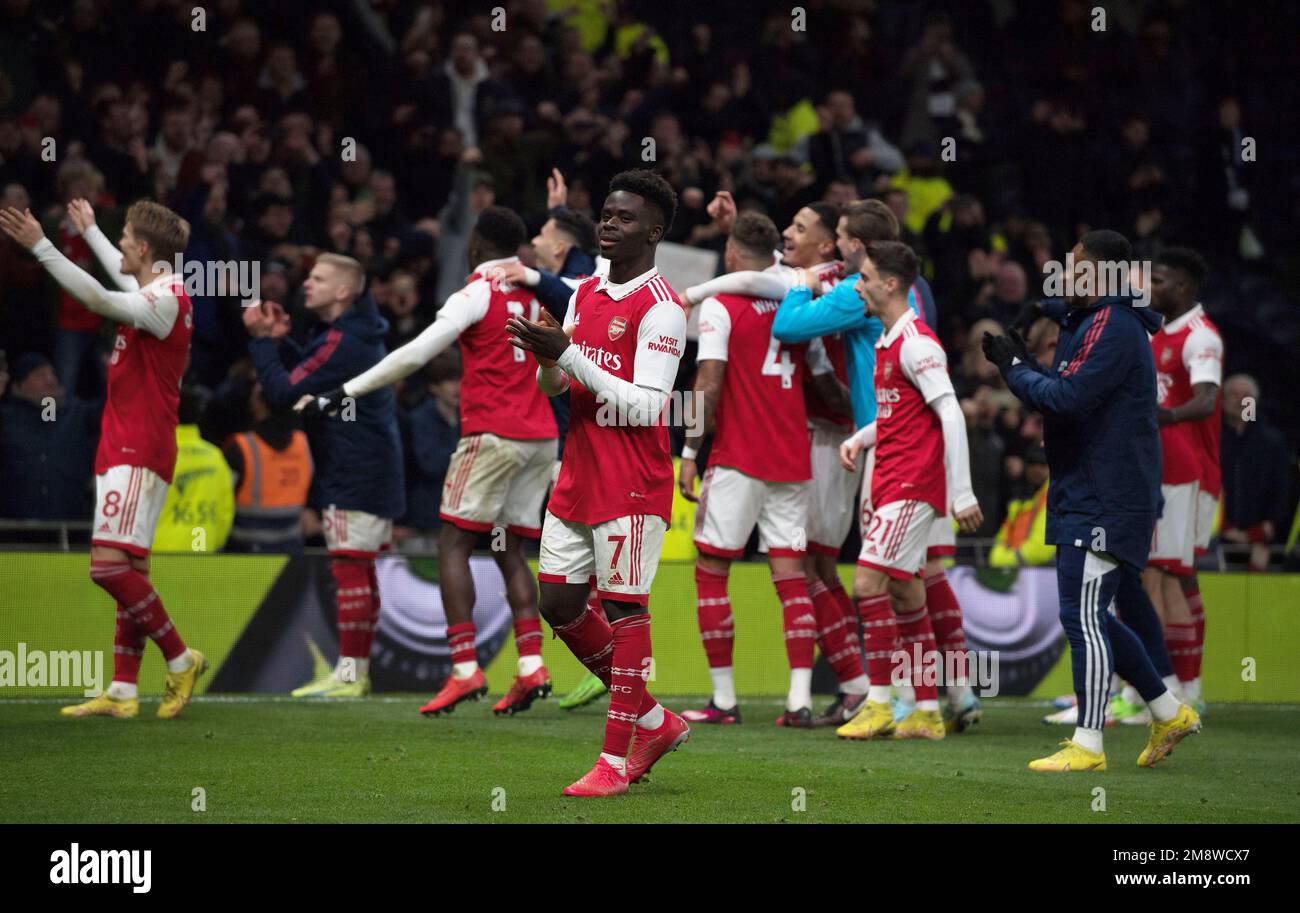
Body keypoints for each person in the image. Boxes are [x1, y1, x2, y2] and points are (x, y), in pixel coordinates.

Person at [300, 206, 560, 717]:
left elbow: (417, 353)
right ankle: (531, 664)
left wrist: (345, 389)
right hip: (541, 439)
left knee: (453, 544)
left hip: (492, 436)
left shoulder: (476, 293)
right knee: (510, 550)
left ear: (476, 246)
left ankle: (464, 668)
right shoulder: (540, 292)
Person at [981, 229, 1201, 771]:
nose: (1065, 275)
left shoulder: (1116, 327)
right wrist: (1039, 311)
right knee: (1093, 614)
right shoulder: (1099, 318)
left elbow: (1068, 399)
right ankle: (1169, 708)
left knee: (1082, 618)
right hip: (1088, 486)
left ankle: (1089, 744)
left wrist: (1015, 368)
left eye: (1077, 269)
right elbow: (1068, 317)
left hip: (1105, 493)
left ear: (1105, 276)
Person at [506, 169, 689, 797]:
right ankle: (653, 720)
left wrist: (570, 354)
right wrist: (547, 364)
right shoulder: (583, 292)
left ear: (654, 231)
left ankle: (614, 761)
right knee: (556, 603)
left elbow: (644, 405)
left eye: (624, 218)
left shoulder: (663, 306)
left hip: (633, 480)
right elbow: (561, 385)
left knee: (624, 609)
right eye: (607, 215)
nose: (609, 225)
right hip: (579, 469)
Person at [0, 198, 205, 719]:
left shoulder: (165, 299)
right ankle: (123, 689)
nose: (118, 246)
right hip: (128, 441)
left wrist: (41, 246)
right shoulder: (159, 287)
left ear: (142, 248)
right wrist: (90, 232)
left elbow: (97, 297)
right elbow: (118, 272)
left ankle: (180, 657)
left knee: (107, 567)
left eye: (124, 237)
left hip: (139, 444)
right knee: (130, 566)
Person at [677, 211, 848, 728]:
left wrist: (688, 452)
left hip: (737, 460)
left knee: (711, 573)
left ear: (730, 256)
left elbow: (706, 385)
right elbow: (823, 382)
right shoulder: (801, 303)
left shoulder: (720, 307)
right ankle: (798, 702)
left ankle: (725, 701)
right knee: (791, 579)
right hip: (792, 461)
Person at [834, 241, 982, 742]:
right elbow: (901, 415)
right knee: (905, 591)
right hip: (893, 480)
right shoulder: (888, 341)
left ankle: (878, 701)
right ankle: (925, 709)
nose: (858, 285)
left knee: (867, 587)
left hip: (912, 486)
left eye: (866, 277)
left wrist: (962, 493)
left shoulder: (919, 344)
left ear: (891, 284)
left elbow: (951, 412)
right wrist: (861, 436)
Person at [244, 253, 405, 699]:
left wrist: (260, 341)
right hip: (373, 468)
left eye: (317, 279)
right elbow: (312, 372)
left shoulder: (345, 341)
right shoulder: (350, 336)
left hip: (353, 471)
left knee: (351, 569)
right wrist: (282, 342)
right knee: (360, 570)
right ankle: (357, 673)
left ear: (343, 292)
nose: (306, 284)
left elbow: (284, 393)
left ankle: (351, 675)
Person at [1127, 247, 1221, 720]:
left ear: (1182, 287)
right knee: (1174, 577)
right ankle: (1183, 690)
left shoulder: (1200, 337)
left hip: (1186, 470)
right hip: (1166, 467)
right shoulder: (1159, 331)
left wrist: (1159, 416)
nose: (1150, 287)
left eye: (1159, 280)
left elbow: (1205, 401)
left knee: (1159, 577)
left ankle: (1159, 694)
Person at [0, 353, 100, 521]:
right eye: (40, 374)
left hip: (71, 532)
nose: (50, 379)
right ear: (21, 384)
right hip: (15, 533)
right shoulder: (7, 417)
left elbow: (115, 405)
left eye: (52, 374)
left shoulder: (77, 414)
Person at [223, 379, 314, 554]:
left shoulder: (241, 447)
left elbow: (220, 501)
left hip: (246, 554)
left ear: (259, 405)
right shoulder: (303, 444)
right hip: (292, 555)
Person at [152, 388, 235, 553]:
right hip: (202, 547)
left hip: (159, 551)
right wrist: (214, 542)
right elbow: (226, 510)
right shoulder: (215, 457)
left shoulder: (155, 455)